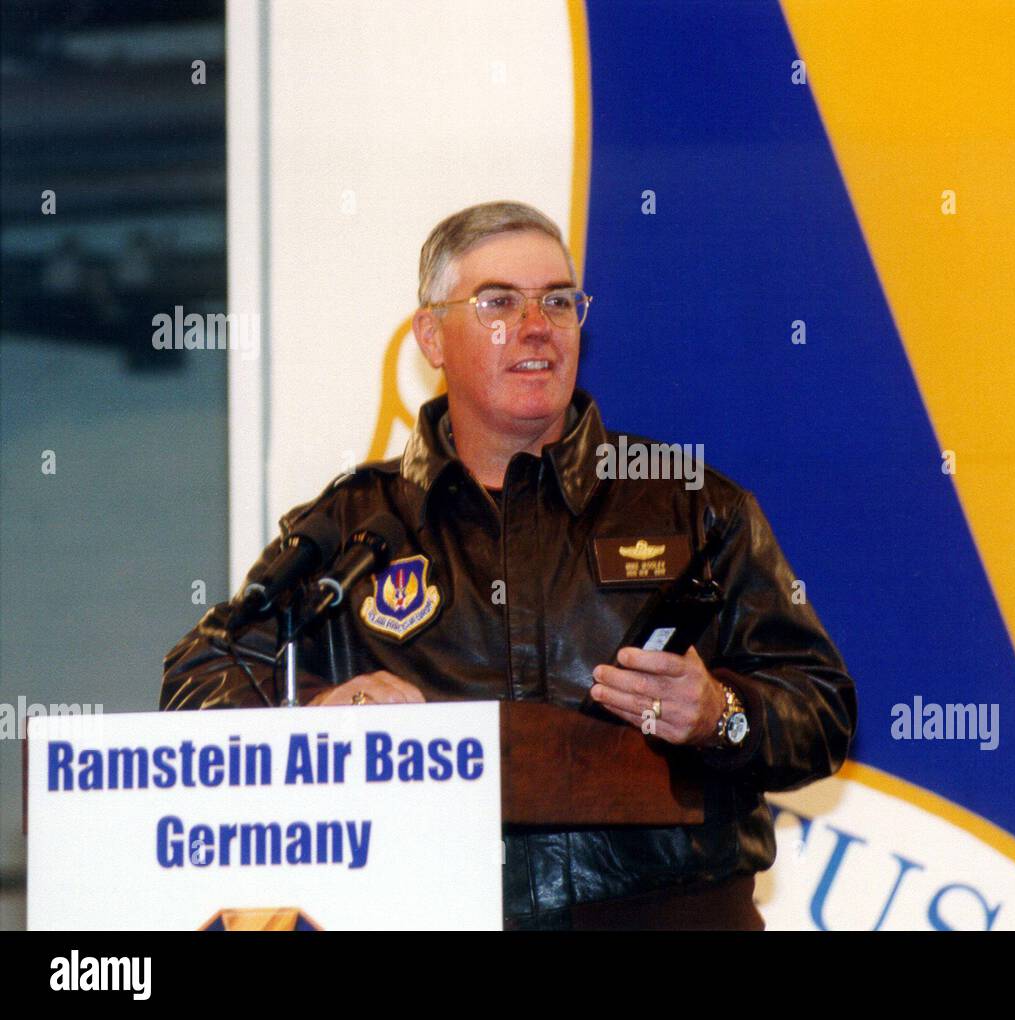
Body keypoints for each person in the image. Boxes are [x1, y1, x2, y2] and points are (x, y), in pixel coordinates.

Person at [161, 200, 858, 930]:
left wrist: (722, 714)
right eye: (499, 302)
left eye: (558, 301)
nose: (536, 327)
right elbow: (195, 679)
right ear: (430, 335)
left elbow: (822, 711)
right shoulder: (352, 526)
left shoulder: (690, 504)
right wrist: (321, 712)